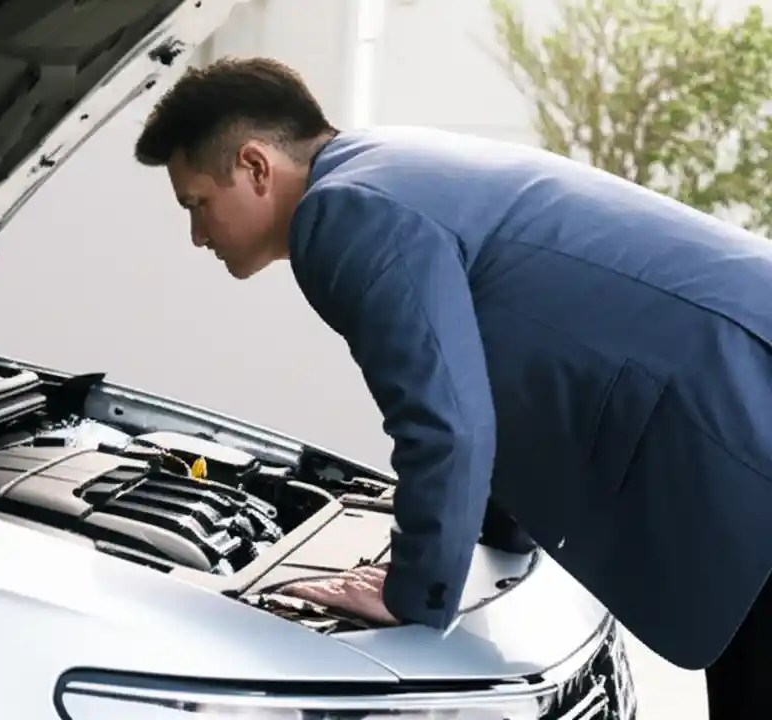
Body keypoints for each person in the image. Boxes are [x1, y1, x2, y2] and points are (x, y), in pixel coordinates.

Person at [132, 56, 772, 718]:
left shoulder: (344, 214)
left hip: (745, 404)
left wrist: (412, 591)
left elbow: (446, 422)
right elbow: (496, 371)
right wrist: (490, 535)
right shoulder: (385, 163)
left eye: (198, 204)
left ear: (255, 166)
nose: (197, 235)